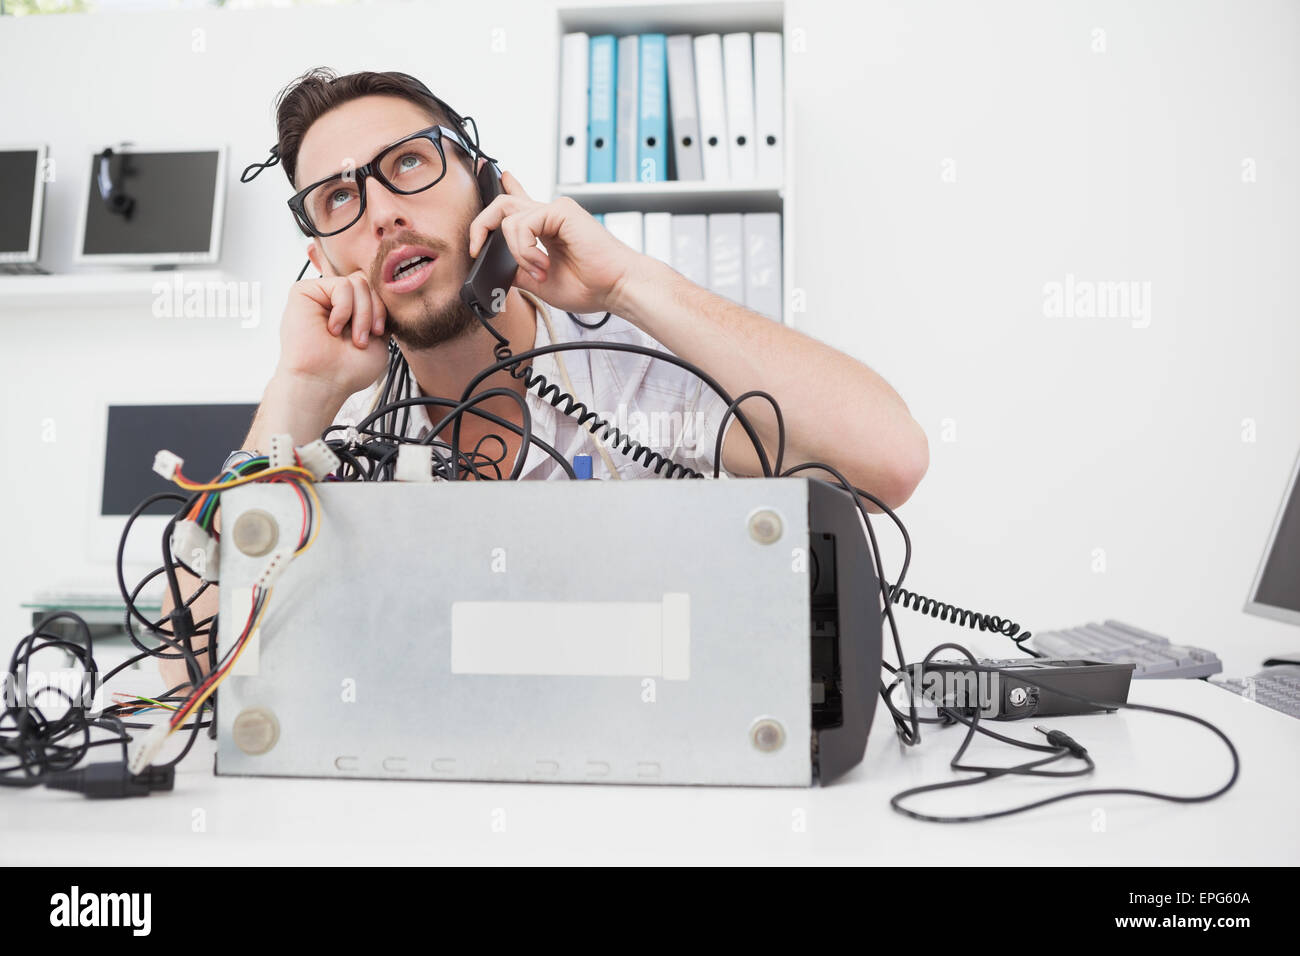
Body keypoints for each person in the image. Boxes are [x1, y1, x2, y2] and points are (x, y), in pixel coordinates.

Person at [158, 67, 928, 692]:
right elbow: (181, 673)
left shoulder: (642, 376)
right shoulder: (335, 444)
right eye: (337, 199)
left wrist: (626, 281)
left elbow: (889, 460)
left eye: (409, 164)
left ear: (493, 188)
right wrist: (299, 393)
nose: (384, 212)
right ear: (323, 262)